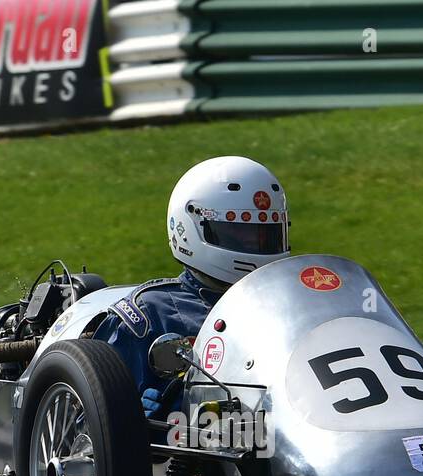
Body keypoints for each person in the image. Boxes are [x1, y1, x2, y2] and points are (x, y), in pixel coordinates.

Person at [91, 156, 291, 416]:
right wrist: (128, 420)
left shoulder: (289, 307)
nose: (255, 245)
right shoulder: (150, 314)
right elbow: (84, 425)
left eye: (266, 236)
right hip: (186, 451)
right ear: (188, 228)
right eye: (239, 233)